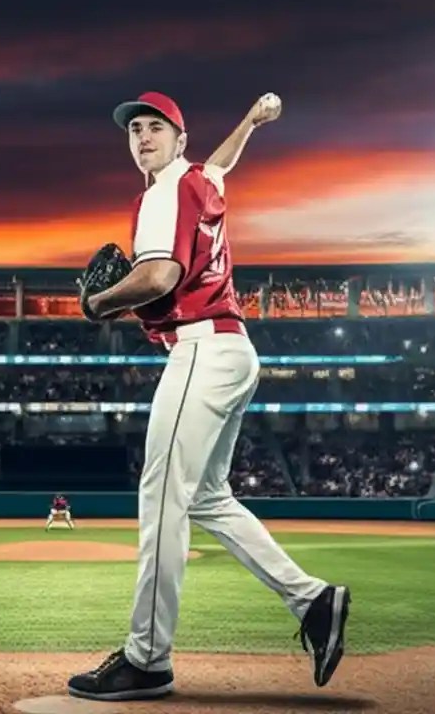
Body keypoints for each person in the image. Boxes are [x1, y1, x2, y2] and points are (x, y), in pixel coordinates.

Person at [67, 91, 351, 702]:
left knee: (162, 494)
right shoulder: (200, 180)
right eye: (135, 129)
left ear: (178, 139)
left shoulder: (160, 192)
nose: (142, 136)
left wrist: (97, 304)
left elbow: (160, 276)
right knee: (205, 498)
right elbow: (224, 162)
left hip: (199, 349)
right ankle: (314, 600)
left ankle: (147, 658)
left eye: (155, 128)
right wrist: (251, 120)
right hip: (232, 350)